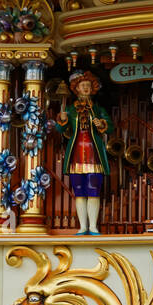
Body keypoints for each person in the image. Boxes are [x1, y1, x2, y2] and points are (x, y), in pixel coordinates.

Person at [57, 71, 114, 235]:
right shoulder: (70, 110)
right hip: (76, 154)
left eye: (88, 86)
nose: (86, 88)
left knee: (94, 190)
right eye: (83, 86)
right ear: (77, 89)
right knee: (79, 191)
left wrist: (101, 123)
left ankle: (93, 226)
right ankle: (82, 226)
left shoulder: (98, 109)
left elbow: (110, 127)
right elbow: (60, 129)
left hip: (94, 154)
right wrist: (62, 119)